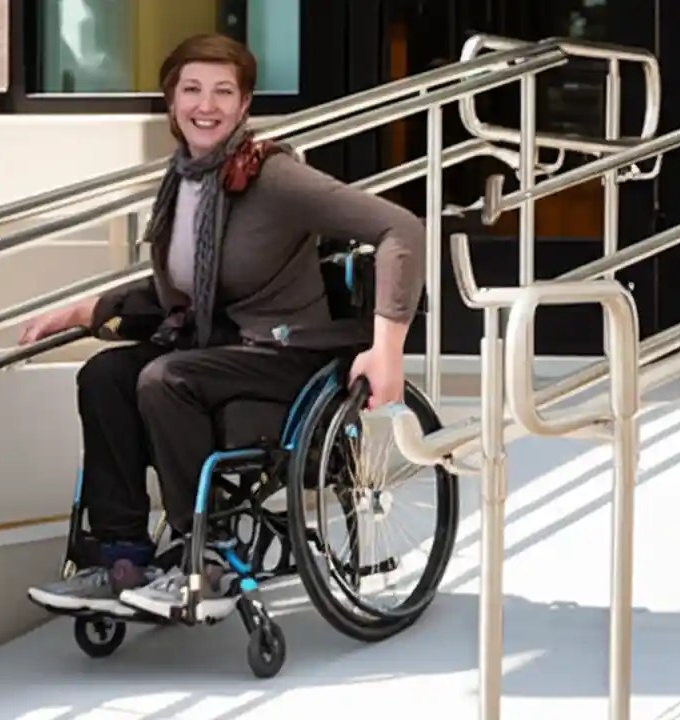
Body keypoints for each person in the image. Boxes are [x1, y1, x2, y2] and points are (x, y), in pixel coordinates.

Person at [22, 33, 426, 619]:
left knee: (166, 378)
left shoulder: (273, 176)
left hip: (283, 354)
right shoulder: (182, 181)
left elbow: (401, 230)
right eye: (191, 89)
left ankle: (207, 557)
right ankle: (122, 557)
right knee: (106, 374)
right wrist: (88, 310)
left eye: (222, 91)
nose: (205, 105)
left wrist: (387, 347)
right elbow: (177, 292)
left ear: (243, 105)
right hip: (212, 345)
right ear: (171, 101)